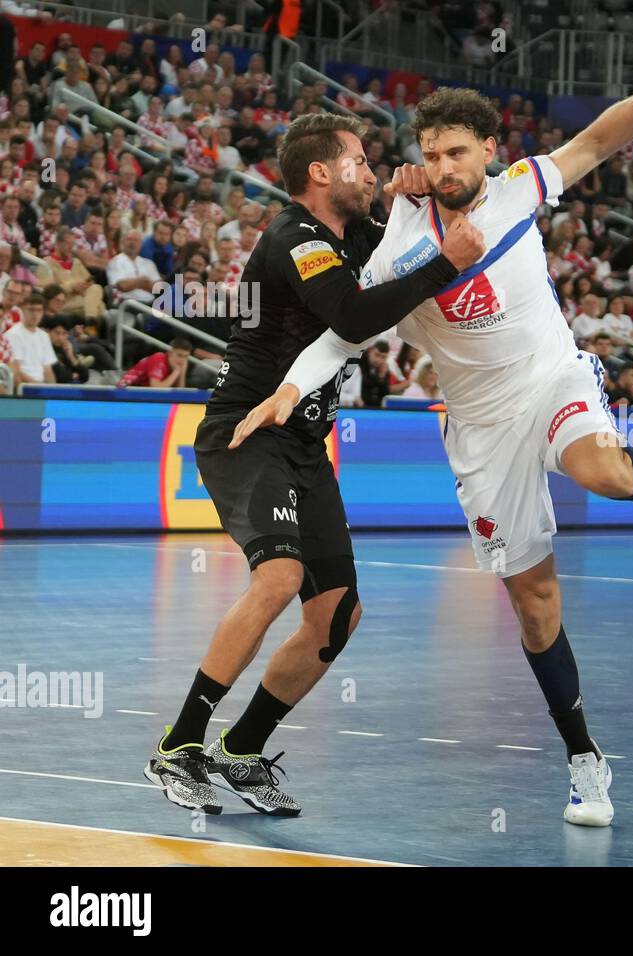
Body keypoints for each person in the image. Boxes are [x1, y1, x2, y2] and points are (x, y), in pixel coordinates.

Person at [230, 36, 633, 830]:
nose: (444, 167)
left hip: (550, 379)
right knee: (534, 606)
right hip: (478, 425)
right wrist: (289, 388)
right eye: (430, 154)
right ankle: (584, 760)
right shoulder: (402, 237)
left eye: (458, 151)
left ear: (490, 151)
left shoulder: (523, 185)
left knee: (599, 469)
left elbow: (600, 139)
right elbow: (346, 335)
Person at [144, 114, 485, 818]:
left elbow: (398, 254)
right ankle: (179, 746)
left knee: (338, 616)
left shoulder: (349, 233)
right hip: (248, 433)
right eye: (360, 162)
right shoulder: (294, 237)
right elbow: (354, 318)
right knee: (280, 578)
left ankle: (243, 749)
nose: (371, 168)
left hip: (306, 444)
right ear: (321, 174)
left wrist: (413, 199)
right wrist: (444, 263)